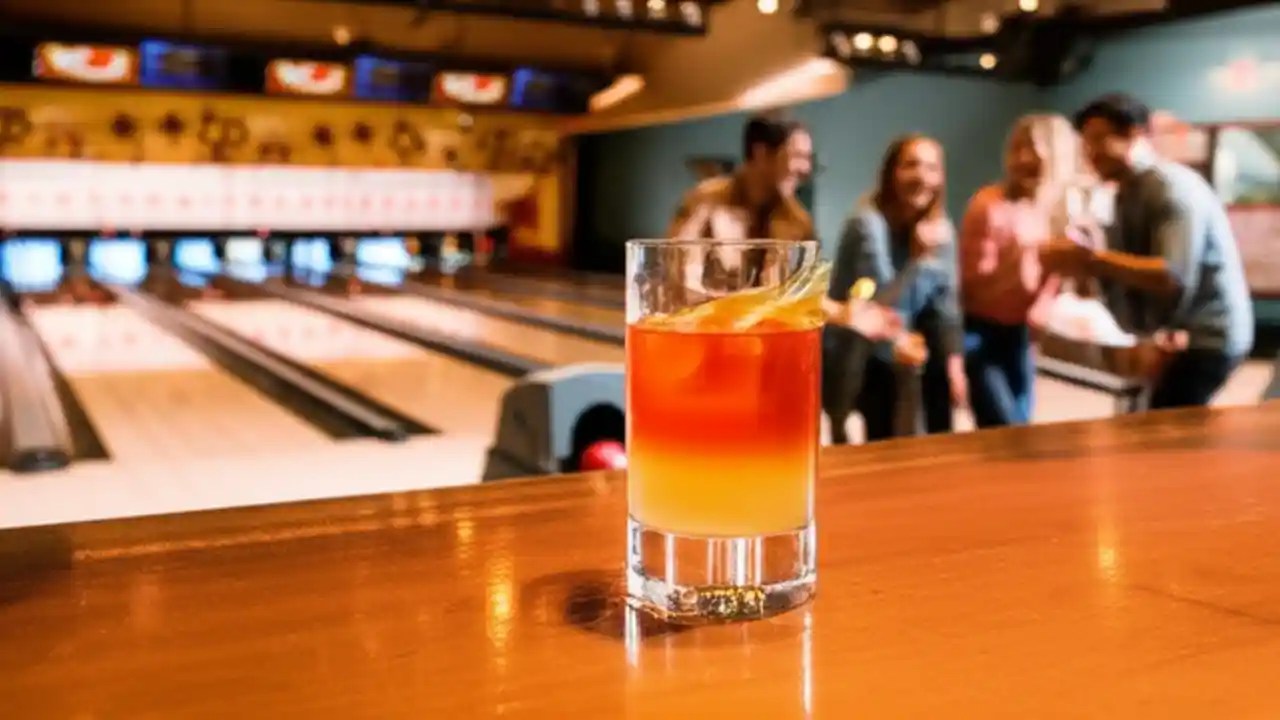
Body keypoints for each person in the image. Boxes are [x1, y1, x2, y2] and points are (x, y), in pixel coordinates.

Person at [1042, 93, 1254, 409]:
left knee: (1165, 424)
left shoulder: (1170, 187)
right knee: (1145, 414)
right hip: (1171, 334)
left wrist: (1092, 260)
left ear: (1134, 134)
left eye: (1099, 139)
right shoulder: (1126, 193)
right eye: (1085, 143)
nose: (1090, 153)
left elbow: (1171, 275)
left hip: (1205, 337)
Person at [668, 113, 902, 342]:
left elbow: (797, 295)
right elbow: (682, 285)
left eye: (809, 158)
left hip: (767, 350)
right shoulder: (705, 202)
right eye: (798, 156)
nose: (806, 169)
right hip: (705, 343)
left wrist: (844, 313)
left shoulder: (798, 221)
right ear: (761, 153)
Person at [825, 134, 967, 443]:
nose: (921, 176)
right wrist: (918, 261)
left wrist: (955, 364)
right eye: (910, 165)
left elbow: (947, 304)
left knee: (938, 389)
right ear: (891, 174)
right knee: (878, 432)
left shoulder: (939, 227)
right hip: (855, 349)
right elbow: (879, 305)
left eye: (931, 168)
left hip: (900, 340)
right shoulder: (866, 222)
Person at [959, 114, 1080, 427]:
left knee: (1022, 424)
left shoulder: (1057, 209)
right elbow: (973, 281)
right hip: (979, 331)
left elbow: (1058, 271)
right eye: (1017, 149)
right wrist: (1029, 255)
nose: (1023, 159)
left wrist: (1044, 301)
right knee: (1003, 425)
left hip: (1020, 333)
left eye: (1033, 150)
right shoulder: (988, 204)